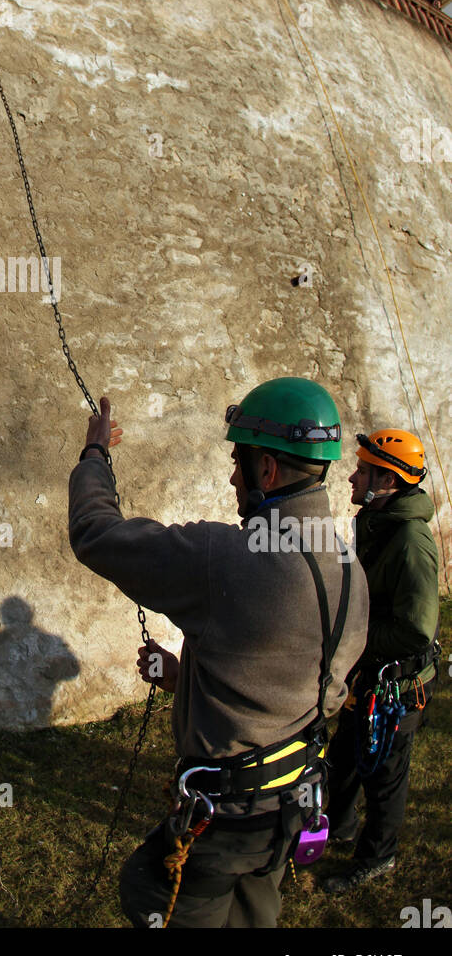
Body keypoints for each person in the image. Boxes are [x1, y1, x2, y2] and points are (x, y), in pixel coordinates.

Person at [68, 377, 369, 928]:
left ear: (268, 471)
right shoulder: (350, 573)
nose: (233, 476)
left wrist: (94, 454)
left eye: (239, 461)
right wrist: (189, 680)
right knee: (254, 916)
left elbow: (95, 532)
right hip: (292, 806)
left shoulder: (227, 556)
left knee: (151, 894)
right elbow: (301, 690)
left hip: (224, 818)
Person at [321, 429, 441, 893]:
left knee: (385, 775)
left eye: (363, 470)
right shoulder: (379, 521)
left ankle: (378, 855)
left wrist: (355, 640)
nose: (352, 477)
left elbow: (416, 629)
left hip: (396, 687)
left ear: (387, 481)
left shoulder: (410, 542)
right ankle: (339, 825)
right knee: (347, 757)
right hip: (369, 679)